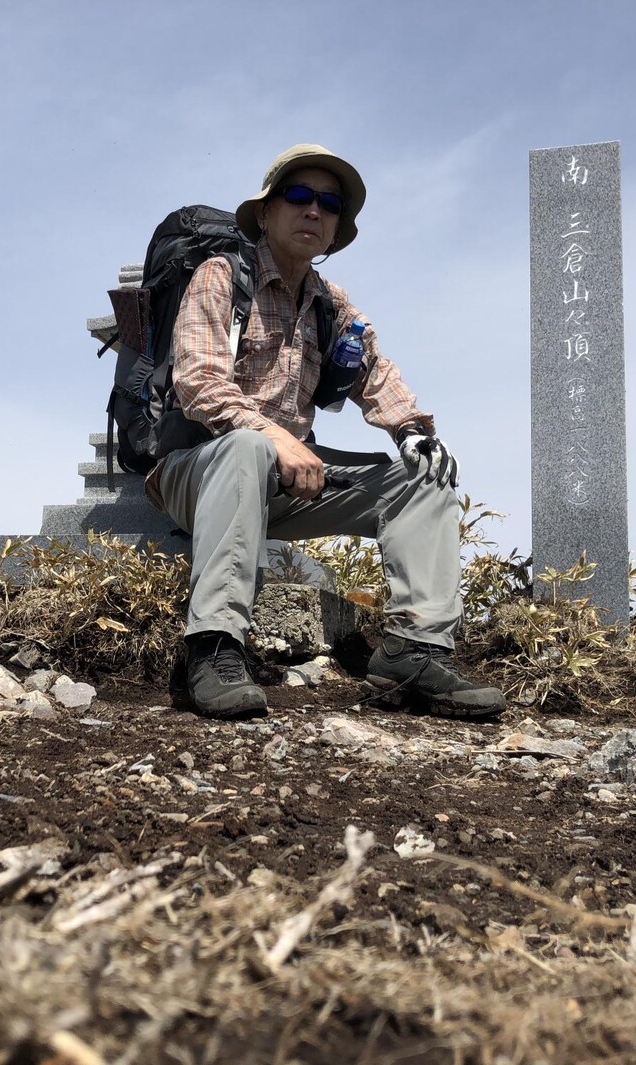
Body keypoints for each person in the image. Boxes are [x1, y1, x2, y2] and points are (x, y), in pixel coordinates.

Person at [145, 144, 507, 721]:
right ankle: (212, 649)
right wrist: (276, 438)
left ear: (337, 226)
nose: (314, 210)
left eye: (329, 203)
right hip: (203, 471)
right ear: (265, 212)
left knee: (424, 478)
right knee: (245, 445)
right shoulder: (220, 277)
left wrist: (412, 431)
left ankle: (414, 650)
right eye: (298, 195)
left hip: (291, 480)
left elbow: (377, 376)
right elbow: (201, 384)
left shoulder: (331, 306)